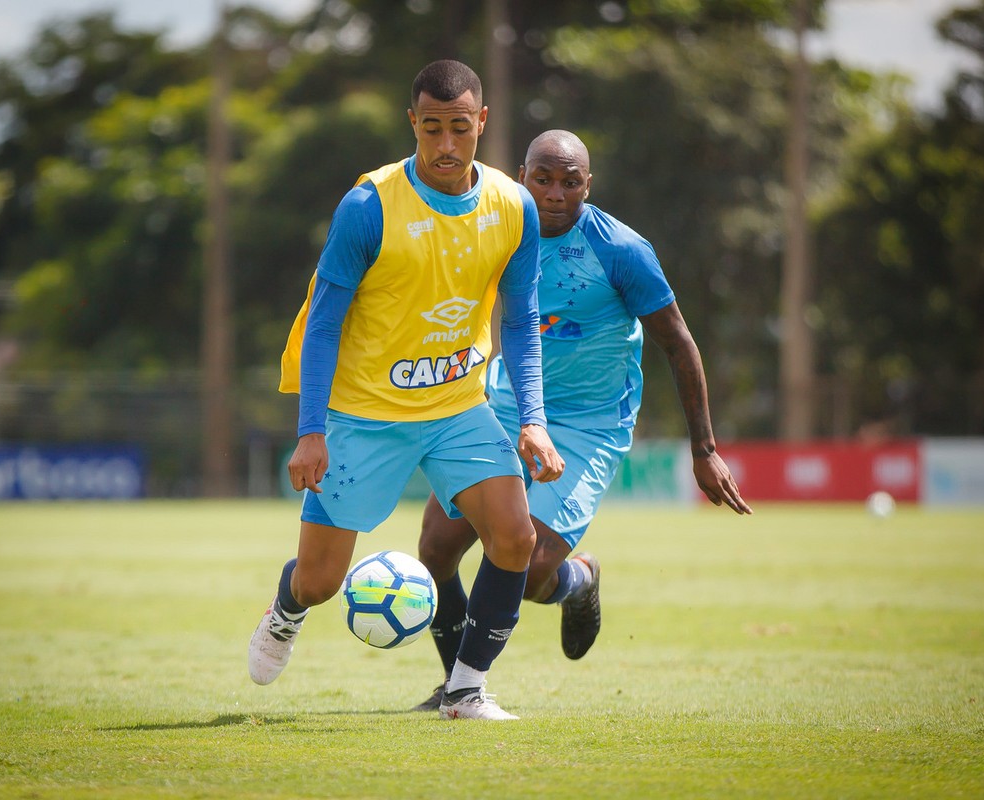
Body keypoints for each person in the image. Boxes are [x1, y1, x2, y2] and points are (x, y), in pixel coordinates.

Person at [247, 60, 565, 722]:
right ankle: (286, 611)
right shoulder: (369, 207)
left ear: (482, 122)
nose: (446, 145)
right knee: (320, 581)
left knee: (515, 537)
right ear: (413, 124)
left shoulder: (514, 206)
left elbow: (521, 321)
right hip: (363, 414)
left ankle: (466, 691)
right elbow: (323, 324)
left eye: (459, 128)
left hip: (457, 408)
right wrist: (311, 431)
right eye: (432, 128)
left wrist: (533, 420)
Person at [412, 129, 752, 711]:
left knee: (532, 569)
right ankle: (457, 684)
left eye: (570, 182)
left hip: (589, 424)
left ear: (587, 186)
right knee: (436, 549)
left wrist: (704, 449)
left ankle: (578, 580)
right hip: (505, 407)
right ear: (522, 177)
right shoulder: (496, 231)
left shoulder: (621, 250)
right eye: (543, 179)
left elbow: (679, 343)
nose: (555, 193)